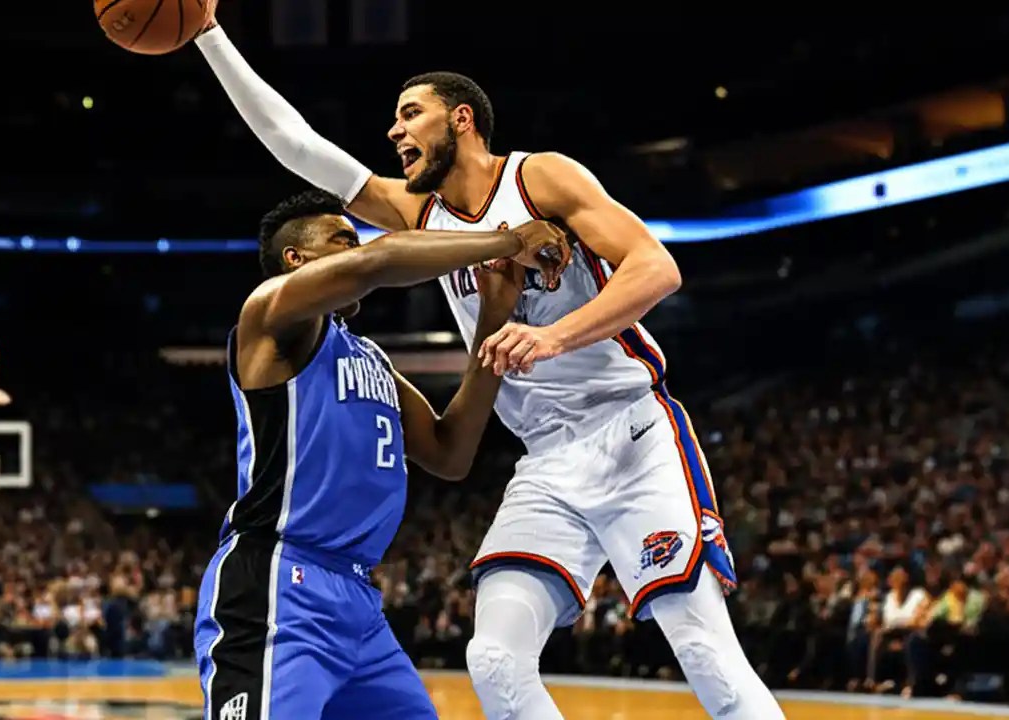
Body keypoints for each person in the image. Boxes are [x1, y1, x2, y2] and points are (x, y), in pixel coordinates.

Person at [192, 12, 786, 720]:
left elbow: (656, 268)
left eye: (410, 115)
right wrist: (207, 33)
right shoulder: (419, 214)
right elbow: (296, 145)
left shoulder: (541, 177)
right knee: (495, 659)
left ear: (462, 120)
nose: (394, 131)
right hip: (544, 458)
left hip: (631, 434)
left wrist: (552, 337)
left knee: (703, 650)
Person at [194, 189, 570, 720]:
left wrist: (493, 314)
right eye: (341, 239)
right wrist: (510, 239)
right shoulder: (269, 314)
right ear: (295, 261)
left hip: (358, 603)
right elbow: (378, 261)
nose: (356, 247)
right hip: (278, 585)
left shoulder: (371, 358)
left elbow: (450, 452)